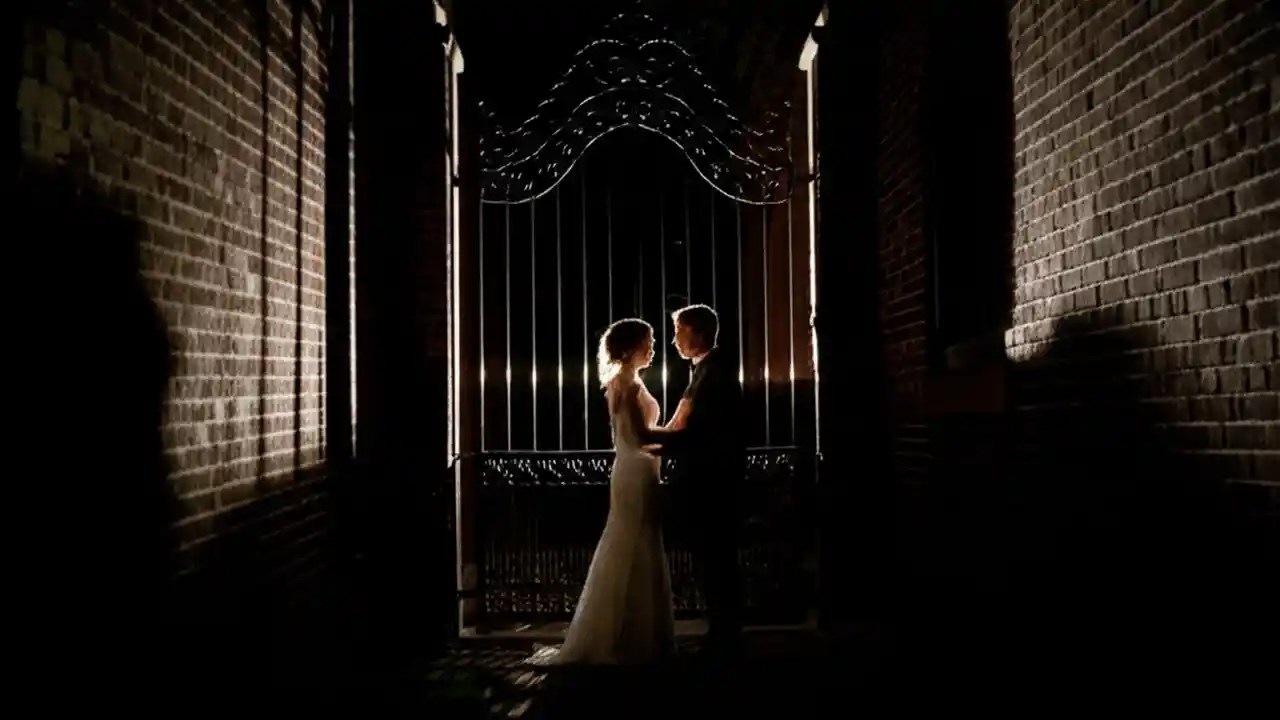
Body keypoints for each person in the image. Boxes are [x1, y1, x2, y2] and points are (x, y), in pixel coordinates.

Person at [527, 318, 677, 666]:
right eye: (648, 342)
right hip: (638, 472)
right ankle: (636, 636)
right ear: (630, 347)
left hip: (627, 470)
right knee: (638, 543)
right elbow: (641, 437)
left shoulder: (617, 382)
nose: (652, 348)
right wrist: (680, 434)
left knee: (626, 542)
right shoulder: (631, 386)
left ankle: (621, 631)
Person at [641, 304, 745, 661]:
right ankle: (723, 630)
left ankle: (725, 634)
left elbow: (700, 433)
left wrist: (644, 437)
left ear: (698, 334)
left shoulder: (714, 373)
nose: (674, 340)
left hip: (711, 485)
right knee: (712, 559)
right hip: (709, 482)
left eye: (679, 332)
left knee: (715, 559)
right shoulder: (708, 370)